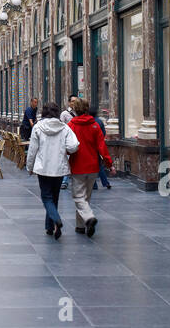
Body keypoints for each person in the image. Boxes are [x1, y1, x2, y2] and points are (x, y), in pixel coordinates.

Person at [25, 102, 79, 240]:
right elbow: (73, 146)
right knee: (54, 197)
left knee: (46, 197)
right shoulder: (64, 128)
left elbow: (32, 150)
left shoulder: (38, 127)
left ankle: (56, 219)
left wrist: (29, 167)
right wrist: (65, 151)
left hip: (43, 168)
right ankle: (50, 227)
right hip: (59, 168)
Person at [66, 97, 113, 237]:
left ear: (75, 109)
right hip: (93, 166)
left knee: (78, 196)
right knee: (86, 197)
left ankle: (88, 218)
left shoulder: (71, 125)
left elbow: (68, 146)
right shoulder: (95, 125)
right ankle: (80, 226)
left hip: (78, 165)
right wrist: (108, 163)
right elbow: (102, 147)